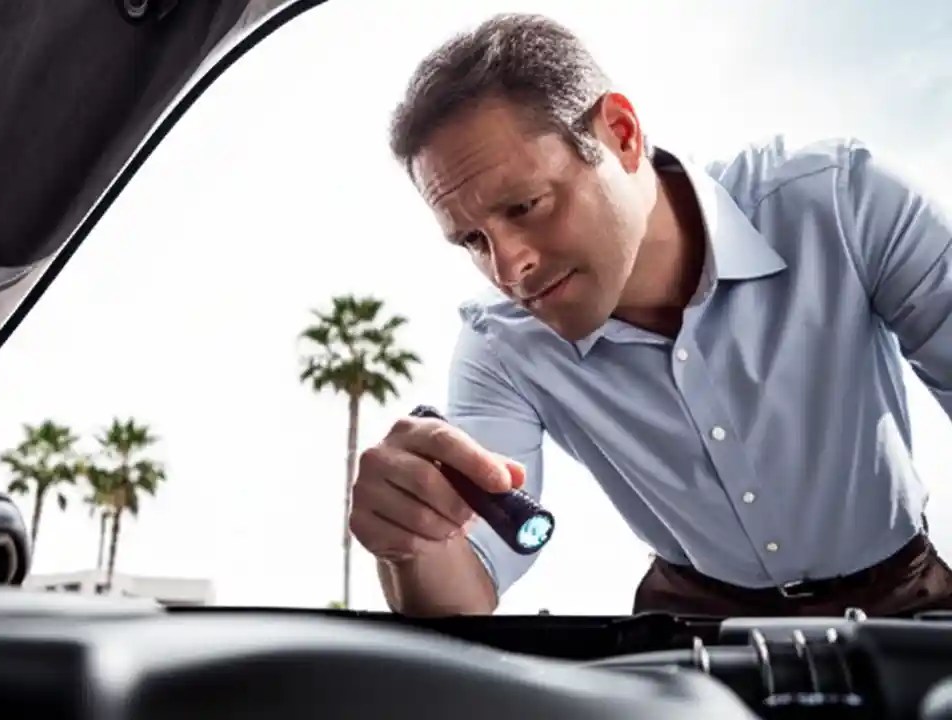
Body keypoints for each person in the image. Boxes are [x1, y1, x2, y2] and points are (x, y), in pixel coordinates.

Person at [350, 12, 952, 618]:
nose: (509, 269)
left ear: (621, 133)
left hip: (905, 598)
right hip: (688, 625)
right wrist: (412, 545)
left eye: (525, 206)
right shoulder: (499, 344)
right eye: (473, 242)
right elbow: (469, 590)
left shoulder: (846, 204)